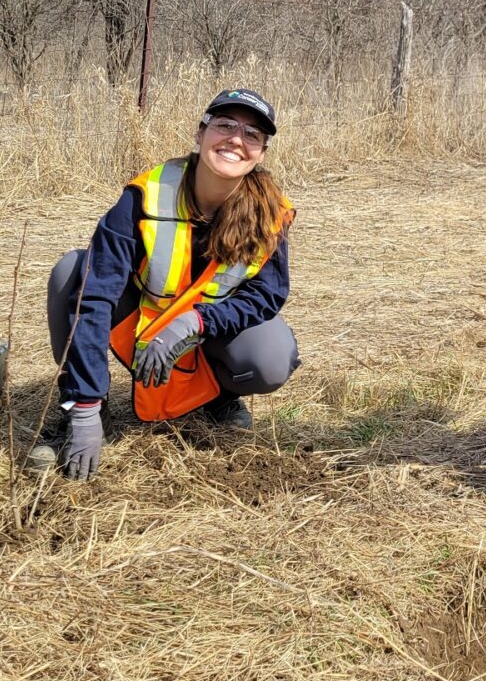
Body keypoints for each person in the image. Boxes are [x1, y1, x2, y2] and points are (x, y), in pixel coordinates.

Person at [29, 89, 301, 480]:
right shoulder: (146, 195)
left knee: (271, 356)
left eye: (252, 134)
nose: (236, 139)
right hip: (139, 325)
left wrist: (196, 323)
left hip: (205, 333)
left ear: (260, 153)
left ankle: (220, 399)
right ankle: (88, 407)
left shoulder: (270, 212)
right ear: (200, 133)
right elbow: (96, 294)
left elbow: (266, 295)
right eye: (225, 125)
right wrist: (83, 404)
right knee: (71, 272)